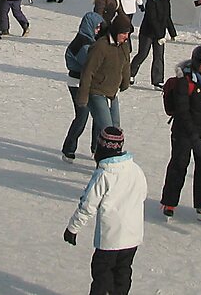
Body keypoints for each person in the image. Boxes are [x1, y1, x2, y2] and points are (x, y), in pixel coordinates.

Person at [63, 126, 147, 295]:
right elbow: (142, 195)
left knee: (102, 272)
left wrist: (73, 228)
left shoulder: (103, 174)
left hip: (110, 238)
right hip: (132, 235)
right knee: (123, 272)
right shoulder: (136, 170)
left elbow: (87, 205)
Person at [160, 45, 201, 223]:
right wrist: (193, 137)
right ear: (197, 64)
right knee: (179, 165)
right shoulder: (185, 81)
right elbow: (182, 112)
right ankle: (169, 203)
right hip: (184, 132)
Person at [77, 14, 132, 152]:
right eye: (124, 33)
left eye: (128, 33)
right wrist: (83, 97)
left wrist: (125, 82)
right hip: (97, 92)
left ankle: (103, 152)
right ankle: (105, 159)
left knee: (116, 128)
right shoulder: (101, 46)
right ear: (116, 31)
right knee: (107, 129)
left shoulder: (124, 46)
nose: (126, 36)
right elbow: (88, 72)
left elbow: (125, 65)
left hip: (112, 93)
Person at [63, 12, 105, 162]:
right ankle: (68, 148)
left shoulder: (92, 40)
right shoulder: (81, 43)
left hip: (90, 83)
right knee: (82, 116)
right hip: (77, 83)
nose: (99, 29)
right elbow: (90, 65)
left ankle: (96, 148)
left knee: (98, 116)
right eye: (97, 26)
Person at [130, 0, 176, 89]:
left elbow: (167, 17)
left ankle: (158, 80)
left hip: (160, 33)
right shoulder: (151, 1)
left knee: (159, 56)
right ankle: (130, 73)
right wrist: (160, 35)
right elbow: (152, 19)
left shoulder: (166, 0)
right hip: (148, 32)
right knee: (143, 54)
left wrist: (172, 32)